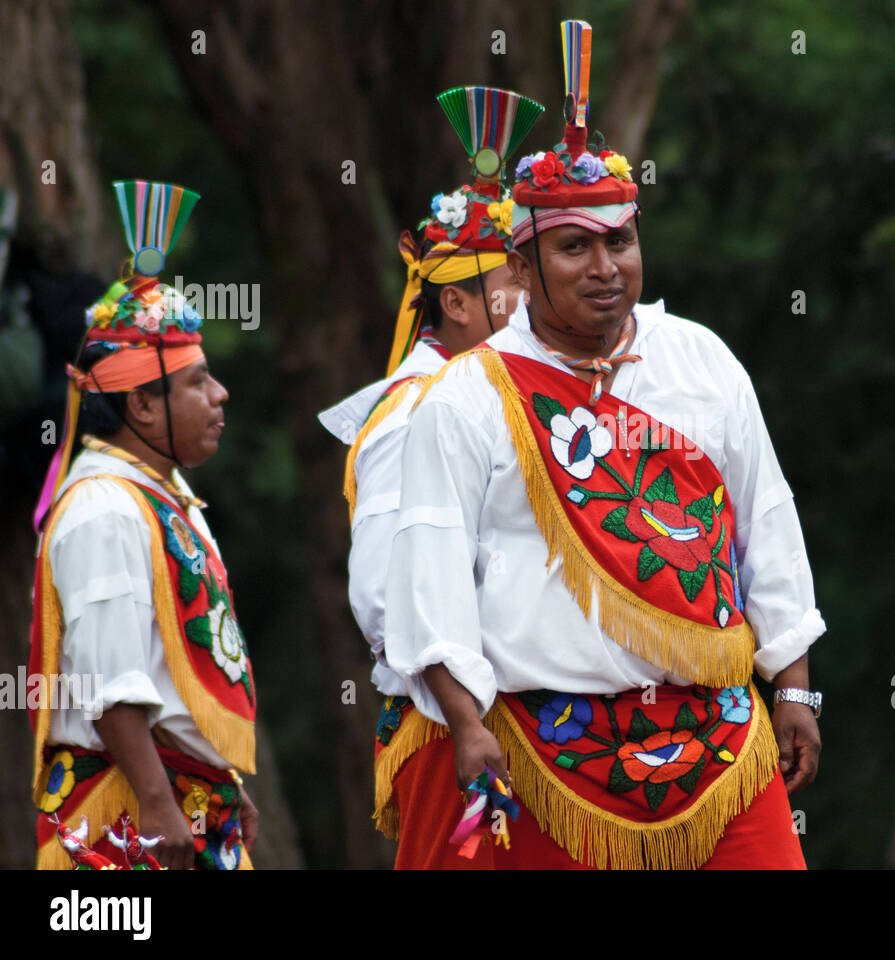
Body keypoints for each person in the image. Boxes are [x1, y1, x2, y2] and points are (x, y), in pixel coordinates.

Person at [384, 20, 825, 870]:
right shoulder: (471, 395)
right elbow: (430, 575)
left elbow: (765, 524)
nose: (604, 267)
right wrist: (466, 726)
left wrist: (797, 686)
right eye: (573, 247)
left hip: (720, 741)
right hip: (549, 751)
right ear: (520, 265)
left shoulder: (701, 359)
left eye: (618, 242)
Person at [317, 86, 541, 867]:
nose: (532, 293)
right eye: (513, 280)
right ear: (456, 301)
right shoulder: (416, 410)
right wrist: (461, 696)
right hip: (458, 727)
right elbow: (384, 594)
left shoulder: (507, 392)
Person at [29, 180, 257, 870]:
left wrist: (226, 779)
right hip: (132, 815)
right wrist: (159, 805)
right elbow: (112, 681)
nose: (220, 397)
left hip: (184, 799)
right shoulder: (104, 508)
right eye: (198, 382)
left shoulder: (160, 493)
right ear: (144, 408)